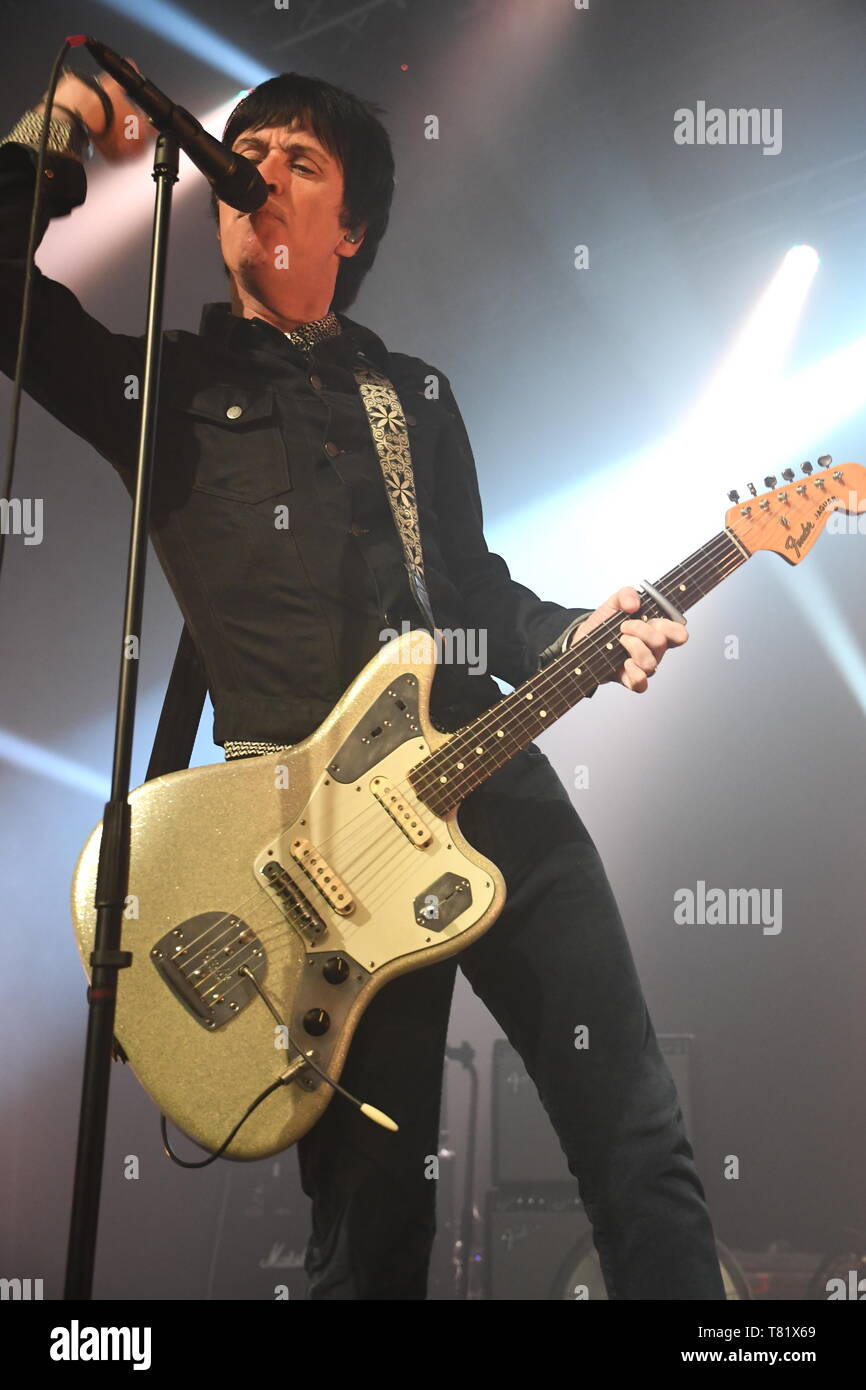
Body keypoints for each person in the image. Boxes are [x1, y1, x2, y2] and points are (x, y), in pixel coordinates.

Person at [0, 66, 725, 1300]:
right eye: (251, 151)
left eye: (301, 160)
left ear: (351, 230)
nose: (263, 172)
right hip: (317, 847)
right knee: (376, 1216)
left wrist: (578, 631)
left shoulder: (413, 395)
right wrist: (60, 122)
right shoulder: (163, 387)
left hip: (491, 777)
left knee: (636, 1142)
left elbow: (477, 601)